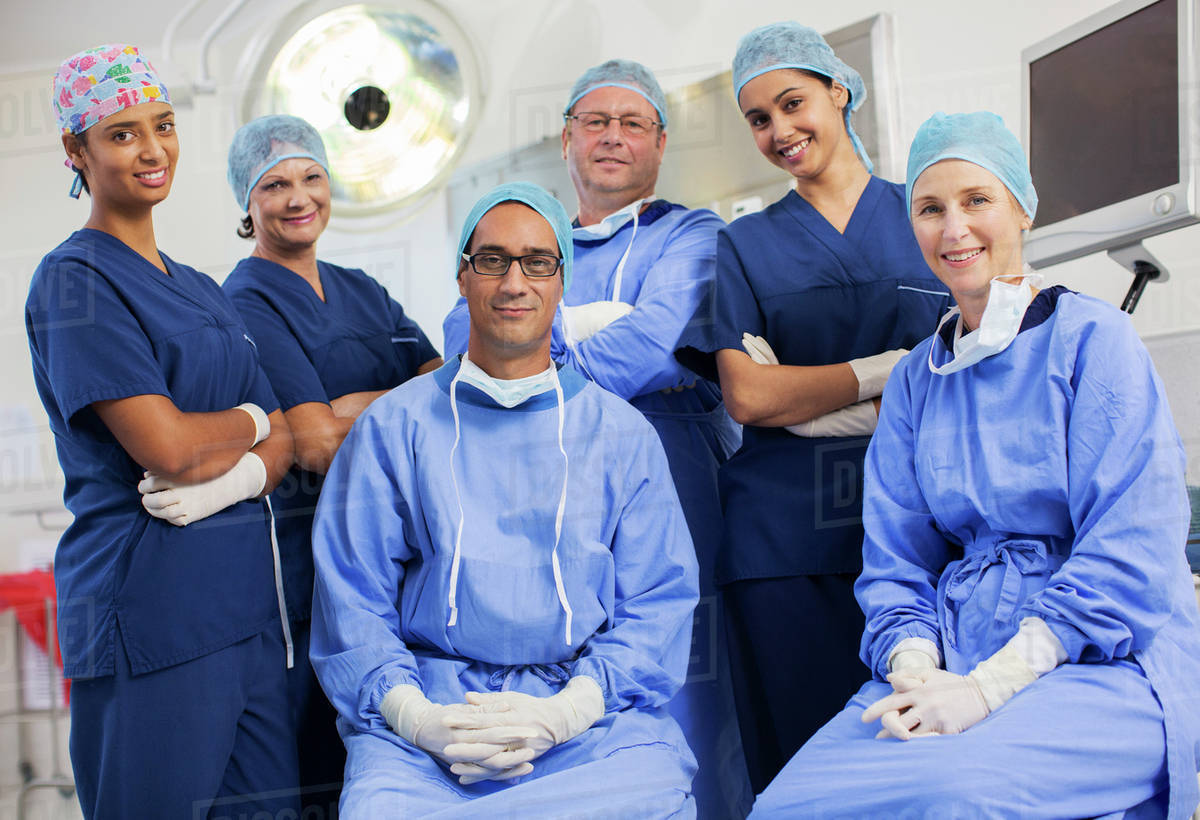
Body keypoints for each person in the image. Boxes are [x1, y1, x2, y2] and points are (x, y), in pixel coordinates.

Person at [750, 111, 1200, 819]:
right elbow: (897, 562)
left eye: (976, 200)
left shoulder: (1094, 341)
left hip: (1104, 658)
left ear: (1022, 207)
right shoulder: (916, 382)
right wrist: (915, 669)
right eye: (930, 209)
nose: (953, 228)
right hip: (957, 652)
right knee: (789, 805)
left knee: (952, 797)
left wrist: (990, 688)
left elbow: (1131, 553)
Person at [310, 182, 700, 817]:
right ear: (463, 278)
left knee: (655, 801)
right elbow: (352, 599)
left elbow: (657, 603)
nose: (514, 282)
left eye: (537, 262)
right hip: (431, 715)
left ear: (562, 281)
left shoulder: (622, 435)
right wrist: (414, 717)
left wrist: (568, 710)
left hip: (590, 722)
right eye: (492, 260)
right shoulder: (395, 427)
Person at [443, 60, 748, 818]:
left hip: (676, 476)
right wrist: (597, 326)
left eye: (633, 123)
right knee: (562, 687)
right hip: (541, 492)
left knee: (686, 677)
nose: (613, 137)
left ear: (660, 143)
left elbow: (652, 343)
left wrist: (531, 344)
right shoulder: (527, 237)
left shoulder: (693, 235)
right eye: (595, 122)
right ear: (566, 138)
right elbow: (459, 338)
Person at [25, 45, 299, 817]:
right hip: (150, 616)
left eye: (164, 125)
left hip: (244, 617)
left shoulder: (204, 288)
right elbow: (168, 448)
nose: (152, 150)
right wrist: (251, 422)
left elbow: (284, 437)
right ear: (76, 149)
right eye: (122, 133)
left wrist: (239, 471)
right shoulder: (75, 282)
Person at [677, 22, 951, 794]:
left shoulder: (929, 214)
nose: (779, 130)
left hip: (924, 535)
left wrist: (805, 403)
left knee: (927, 772)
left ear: (839, 91)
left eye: (793, 103)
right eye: (758, 119)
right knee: (804, 782)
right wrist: (894, 370)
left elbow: (966, 375)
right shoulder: (744, 245)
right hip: (781, 548)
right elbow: (748, 395)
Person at [222, 114, 442, 811]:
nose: (298, 197)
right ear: (247, 201)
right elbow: (316, 445)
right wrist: (396, 402)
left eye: (311, 176)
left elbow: (448, 387)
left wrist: (345, 405)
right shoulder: (245, 299)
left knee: (405, 748)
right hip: (315, 559)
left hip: (404, 550)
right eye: (274, 184)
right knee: (326, 749)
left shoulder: (362, 288)